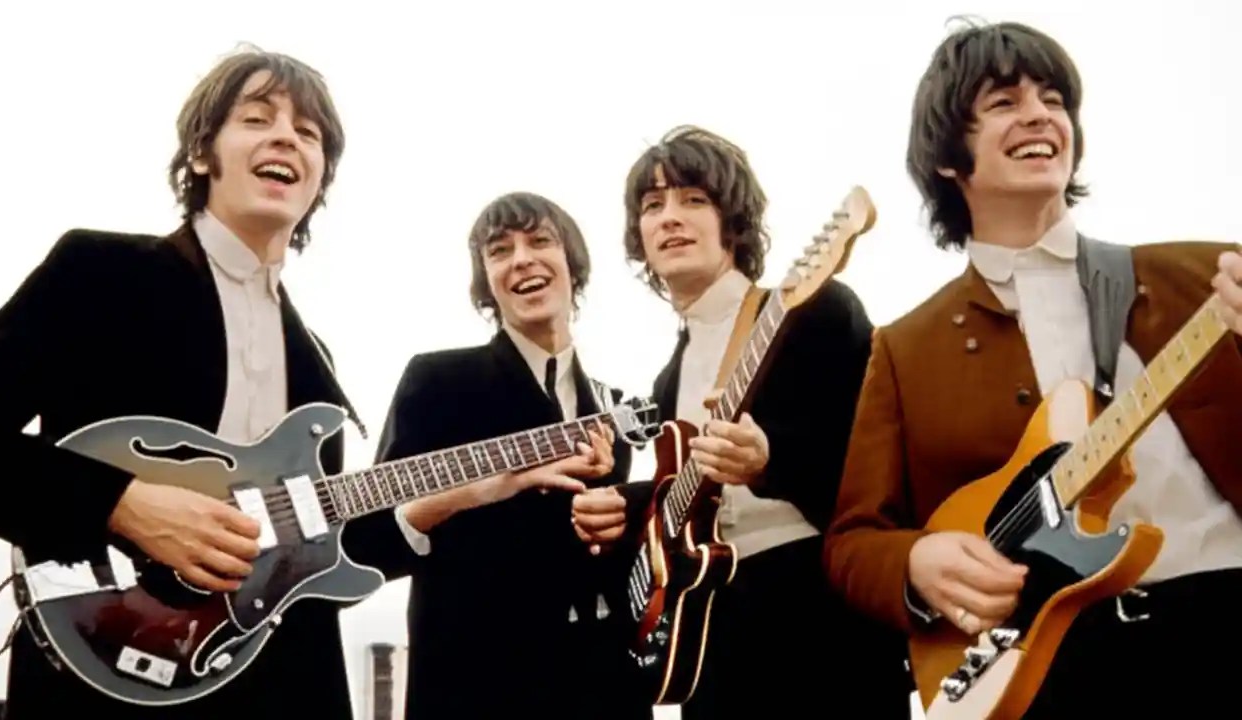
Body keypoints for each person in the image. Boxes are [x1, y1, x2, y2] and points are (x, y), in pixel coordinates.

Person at [0, 46, 402, 719]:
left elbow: (312, 560)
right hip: (105, 676)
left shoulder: (320, 369)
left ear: (318, 180)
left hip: (280, 685)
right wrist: (117, 502)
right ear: (202, 154)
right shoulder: (98, 273)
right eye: (257, 118)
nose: (287, 135)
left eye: (308, 133)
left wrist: (458, 499)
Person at [822, 19, 1242, 716]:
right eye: (1003, 103)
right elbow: (852, 541)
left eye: (1053, 98)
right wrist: (917, 565)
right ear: (950, 159)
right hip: (1047, 665)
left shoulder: (1205, 274)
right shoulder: (904, 348)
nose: (1040, 114)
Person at [572, 125, 911, 718]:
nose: (670, 217)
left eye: (693, 199)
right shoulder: (667, 379)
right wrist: (625, 510)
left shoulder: (816, 311)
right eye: (653, 206)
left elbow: (882, 473)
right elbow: (686, 502)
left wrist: (771, 462)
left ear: (733, 222)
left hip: (820, 628)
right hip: (713, 636)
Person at [372, 191, 654, 720]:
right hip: (477, 688)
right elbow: (371, 539)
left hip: (603, 687)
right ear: (486, 283)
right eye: (499, 250)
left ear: (573, 265)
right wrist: (469, 493)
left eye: (540, 240)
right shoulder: (437, 380)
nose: (522, 258)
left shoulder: (615, 408)